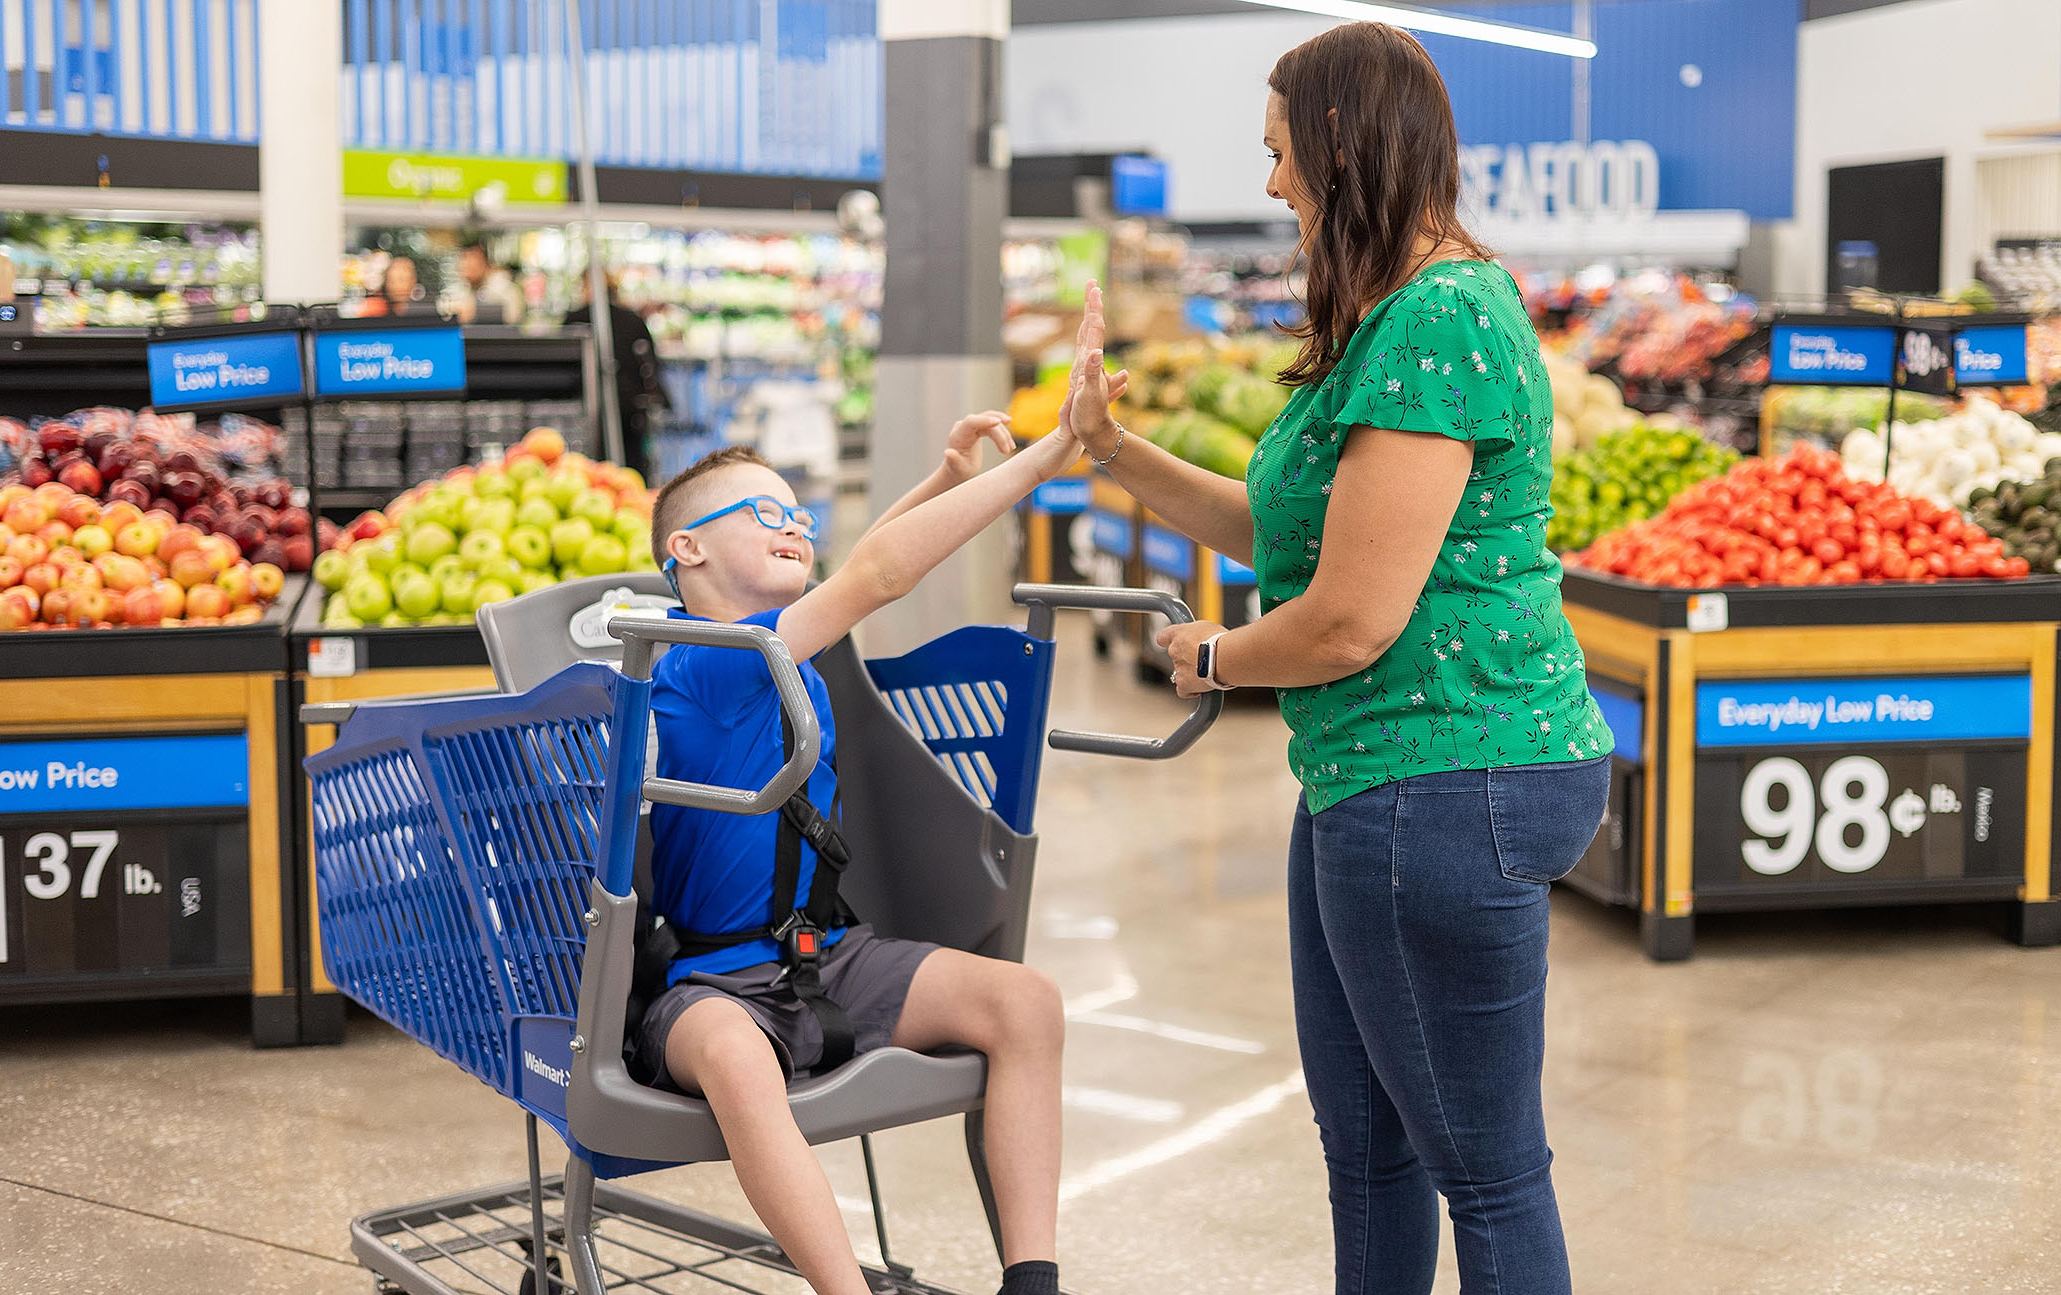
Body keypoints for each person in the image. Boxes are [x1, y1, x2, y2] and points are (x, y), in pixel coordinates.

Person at [1063, 22, 1612, 1295]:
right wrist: (1113, 450)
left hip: (1449, 774)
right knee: (1367, 1153)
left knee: (1484, 1171)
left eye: (1276, 155)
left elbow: (1349, 615)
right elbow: (1293, 530)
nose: (1268, 186)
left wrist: (1210, 656)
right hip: (1377, 776)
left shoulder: (1434, 318)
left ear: (1339, 147)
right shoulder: (1387, 316)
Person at [638, 378, 1115, 1295]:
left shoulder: (782, 643)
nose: (794, 525)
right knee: (738, 1059)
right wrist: (1042, 461)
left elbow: (859, 565)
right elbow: (879, 574)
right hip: (709, 985)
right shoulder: (702, 657)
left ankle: (1033, 1280)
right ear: (687, 548)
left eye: (798, 513)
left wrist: (941, 482)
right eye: (765, 511)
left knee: (1028, 1003)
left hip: (827, 959)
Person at [568, 271, 663, 481]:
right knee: (632, 471)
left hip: (586, 406)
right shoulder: (632, 320)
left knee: (591, 470)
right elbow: (652, 363)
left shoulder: (576, 319)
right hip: (631, 408)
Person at [449, 241, 524, 325]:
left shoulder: (503, 287)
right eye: (464, 268)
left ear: (483, 261)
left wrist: (475, 313)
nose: (467, 272)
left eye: (471, 266)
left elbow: (513, 317)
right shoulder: (465, 289)